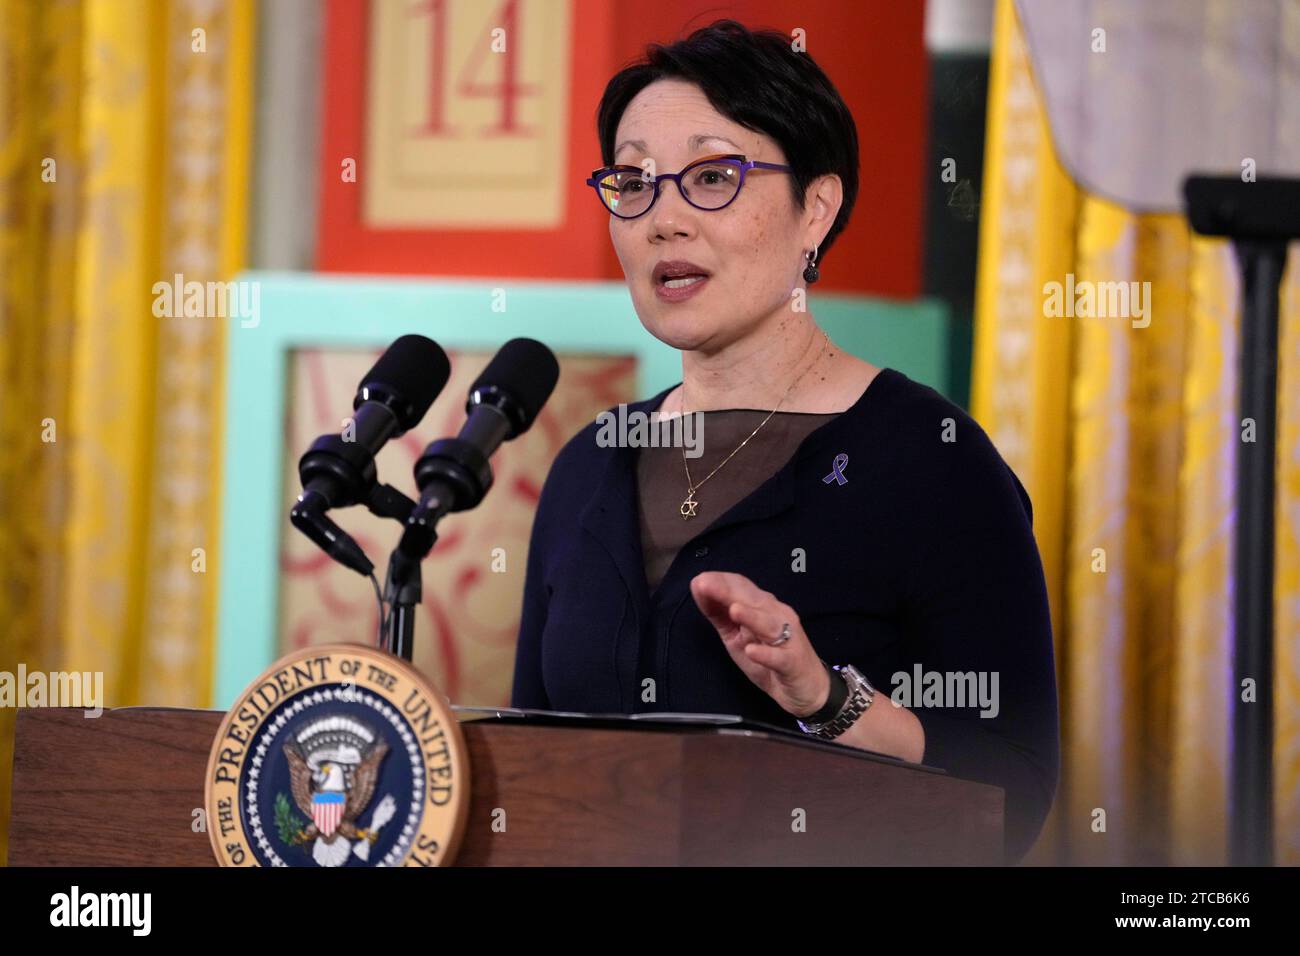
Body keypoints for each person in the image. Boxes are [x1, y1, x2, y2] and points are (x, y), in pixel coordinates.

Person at [510, 19, 1058, 864]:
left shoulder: (933, 461)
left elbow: (1013, 788)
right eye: (633, 182)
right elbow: (532, 760)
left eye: (712, 177)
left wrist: (828, 700)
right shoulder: (590, 464)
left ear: (816, 208)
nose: (663, 220)